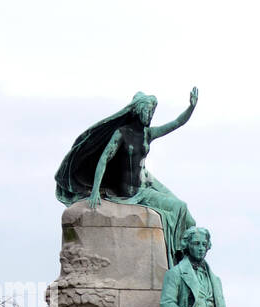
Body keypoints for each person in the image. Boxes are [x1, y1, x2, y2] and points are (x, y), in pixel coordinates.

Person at [55, 89, 200, 266]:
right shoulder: (122, 133)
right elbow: (104, 159)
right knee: (179, 207)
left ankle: (186, 257)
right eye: (147, 110)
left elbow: (177, 122)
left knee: (185, 213)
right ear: (138, 110)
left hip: (146, 183)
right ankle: (179, 259)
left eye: (153, 111)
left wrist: (191, 107)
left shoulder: (148, 133)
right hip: (132, 192)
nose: (150, 115)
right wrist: (95, 191)